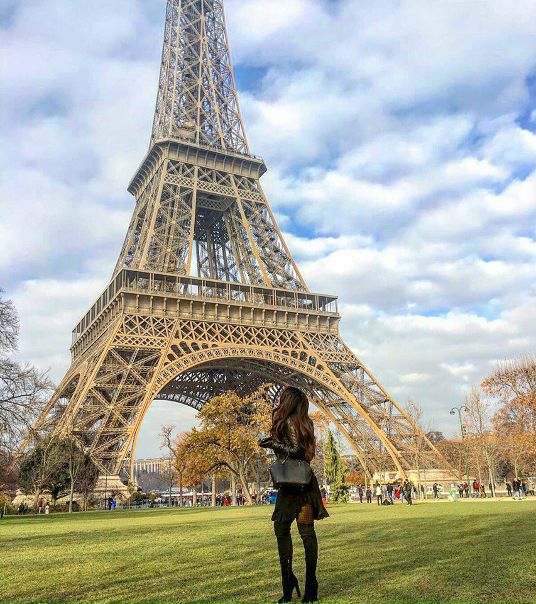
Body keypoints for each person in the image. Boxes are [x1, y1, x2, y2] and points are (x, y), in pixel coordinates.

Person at [259, 387, 328, 604]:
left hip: (291, 487)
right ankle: (310, 586)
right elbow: (305, 453)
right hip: (305, 485)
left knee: (282, 530)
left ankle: (289, 583)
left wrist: (273, 444)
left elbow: (297, 451)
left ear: (287, 402)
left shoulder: (288, 421)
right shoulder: (306, 422)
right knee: (307, 533)